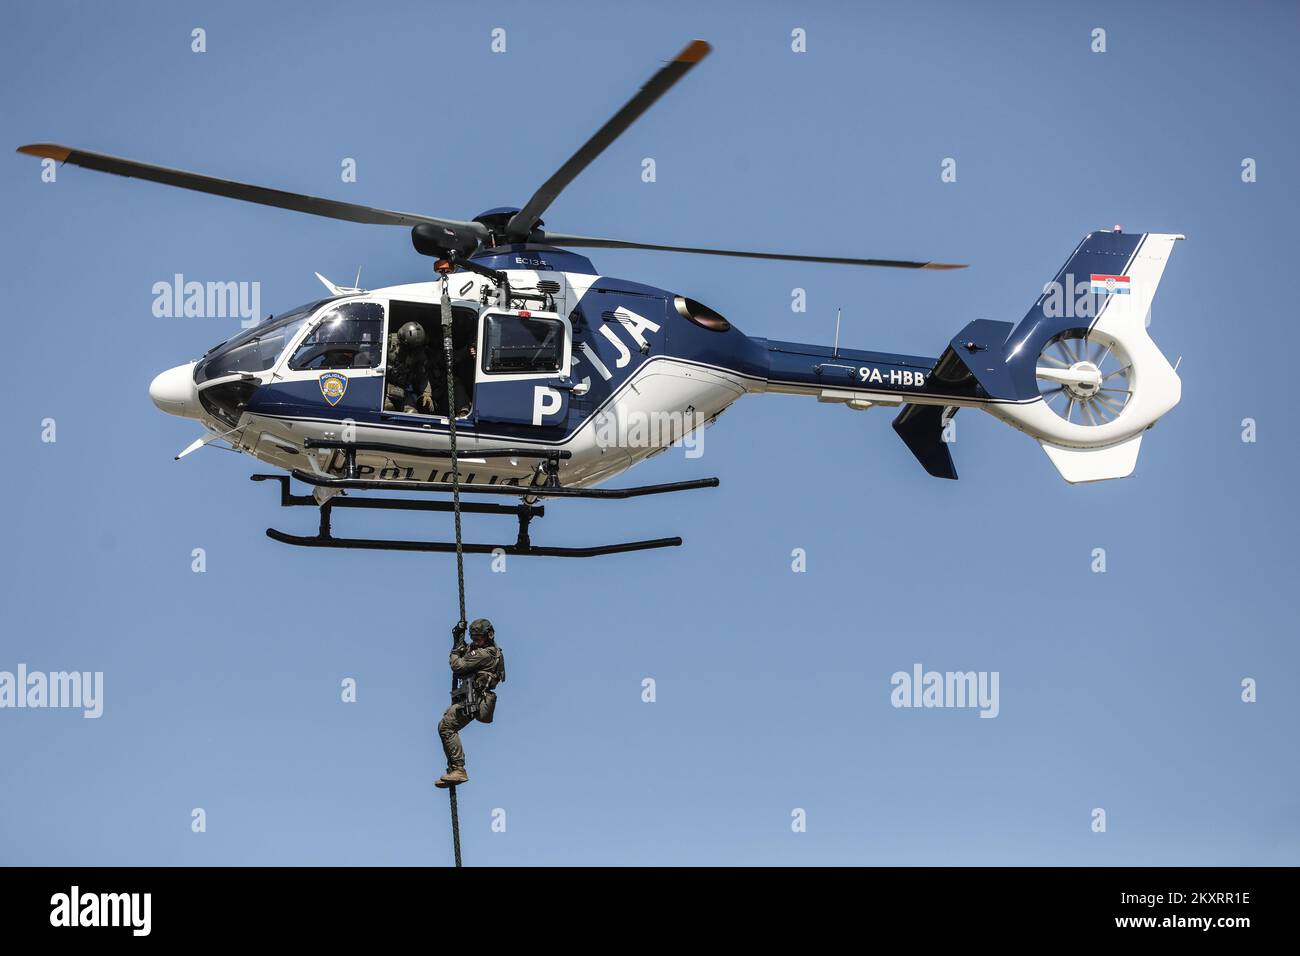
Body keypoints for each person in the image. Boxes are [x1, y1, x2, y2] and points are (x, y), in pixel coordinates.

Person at [435, 618, 506, 788]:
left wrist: (454, 651)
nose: (475, 642)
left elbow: (458, 665)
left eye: (478, 639)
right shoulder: (488, 651)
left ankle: (459, 769)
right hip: (470, 697)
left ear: (488, 635)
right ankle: (454, 768)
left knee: (446, 727)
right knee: (445, 720)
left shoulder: (484, 654)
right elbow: (467, 652)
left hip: (474, 700)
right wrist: (458, 638)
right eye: (473, 638)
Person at [384, 321, 434, 413]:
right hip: (384, 388)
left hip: (403, 390)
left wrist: (426, 393)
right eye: (408, 347)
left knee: (412, 413)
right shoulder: (387, 343)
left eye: (414, 348)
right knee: (388, 407)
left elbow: (423, 374)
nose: (411, 351)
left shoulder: (418, 353)